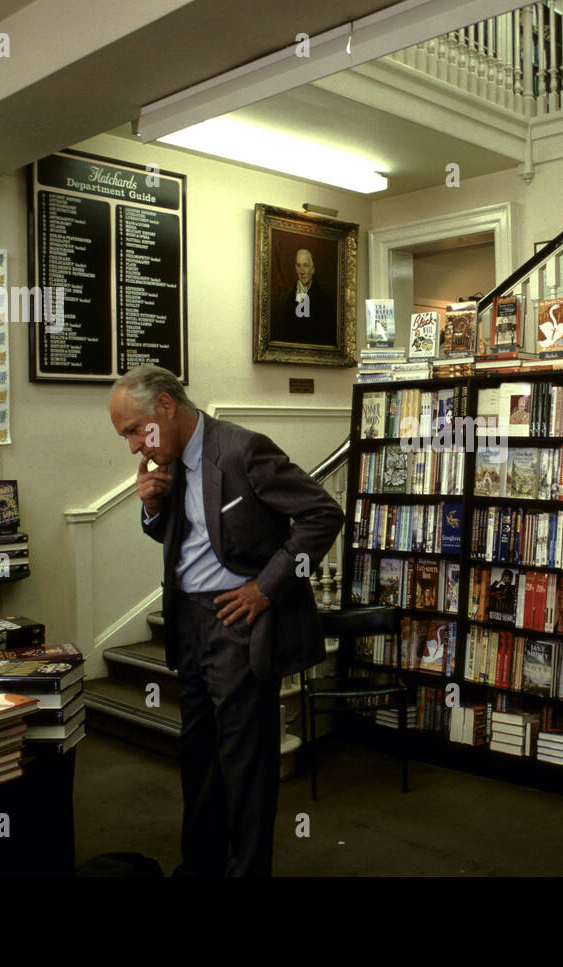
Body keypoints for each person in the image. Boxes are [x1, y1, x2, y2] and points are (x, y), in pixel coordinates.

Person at [109, 365, 344, 876]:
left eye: (134, 430)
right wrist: (151, 508)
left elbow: (322, 513)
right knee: (199, 757)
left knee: (245, 763)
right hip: (187, 621)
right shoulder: (166, 461)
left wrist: (265, 588)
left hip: (236, 623)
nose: (132, 446)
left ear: (166, 407)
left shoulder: (241, 450)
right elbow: (187, 539)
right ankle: (201, 867)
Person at [278, 248, 335, 346]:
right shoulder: (289, 299)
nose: (302, 271)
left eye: (305, 265)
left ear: (313, 269)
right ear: (295, 269)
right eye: (299, 266)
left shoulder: (324, 300)